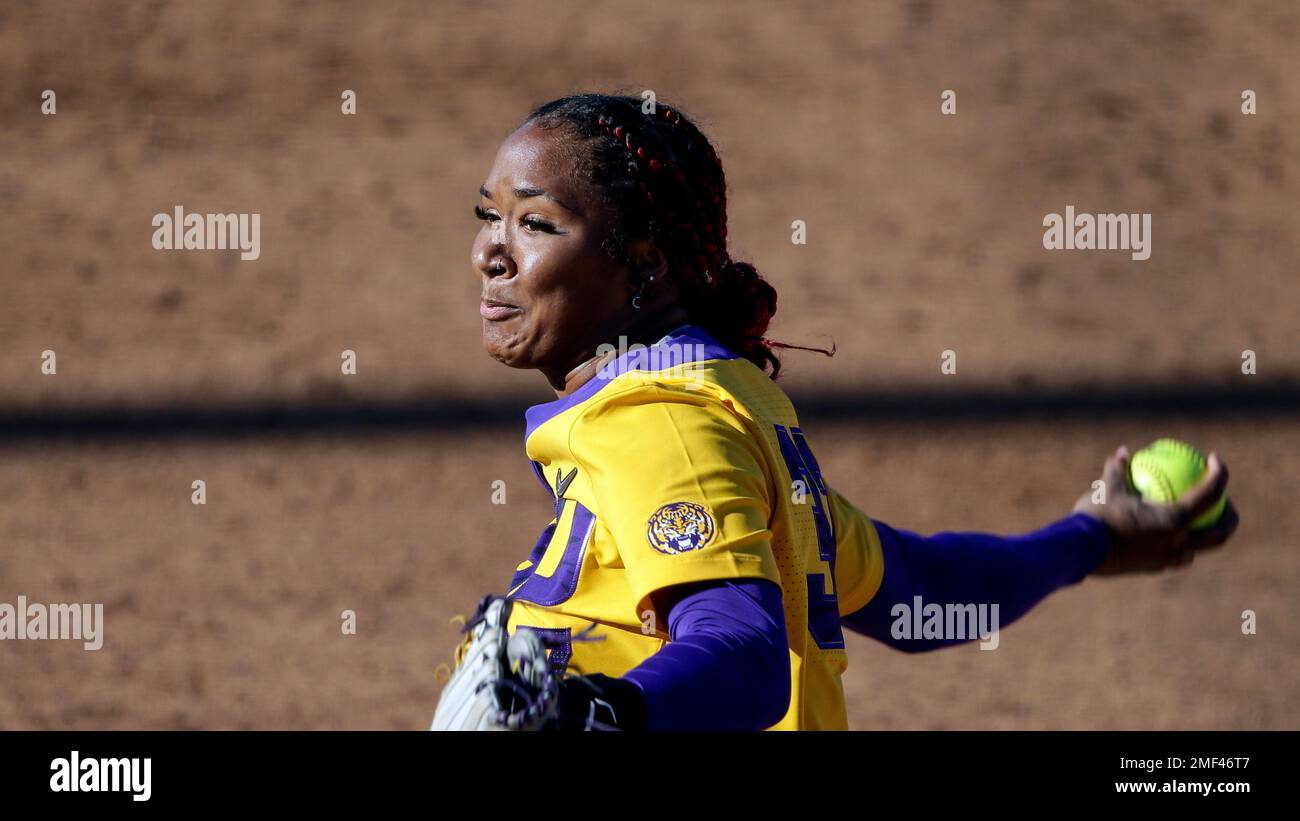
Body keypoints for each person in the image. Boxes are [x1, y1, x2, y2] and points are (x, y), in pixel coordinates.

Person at [436, 93, 1238, 731]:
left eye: (536, 224)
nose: (489, 252)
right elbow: (921, 592)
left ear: (643, 261)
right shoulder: (727, 409)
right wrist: (1091, 536)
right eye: (487, 216)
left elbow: (746, 654)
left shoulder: (660, 421)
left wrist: (591, 715)